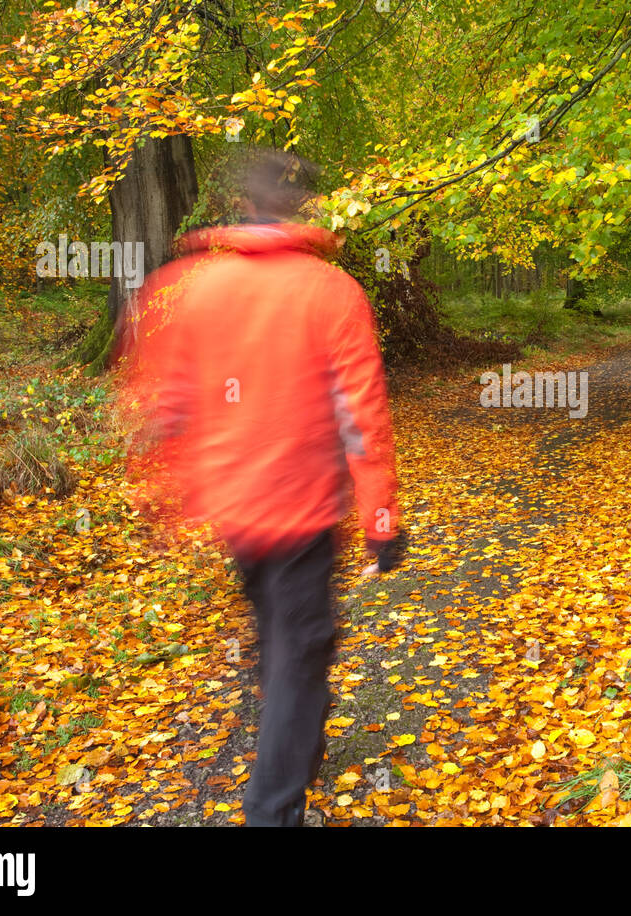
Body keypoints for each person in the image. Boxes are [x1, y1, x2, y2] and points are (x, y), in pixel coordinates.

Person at [119, 149, 407, 826]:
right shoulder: (332, 292)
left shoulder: (189, 287)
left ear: (243, 205)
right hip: (301, 508)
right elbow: (360, 420)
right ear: (305, 207)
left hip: (233, 510)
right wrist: (382, 521)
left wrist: (161, 498)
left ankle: (299, 752)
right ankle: (273, 809)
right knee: (298, 653)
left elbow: (163, 407)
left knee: (288, 639)